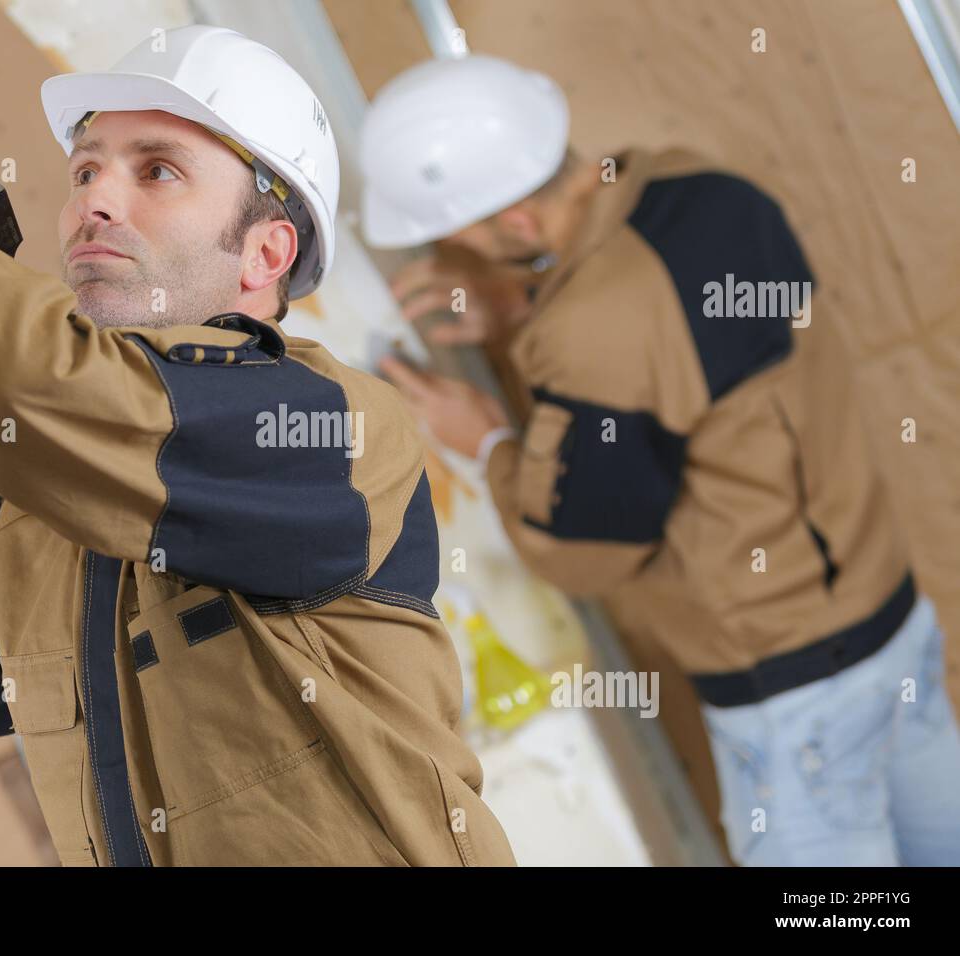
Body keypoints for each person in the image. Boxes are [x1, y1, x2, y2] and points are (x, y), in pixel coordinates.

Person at [0, 26, 516, 867]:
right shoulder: (34, 536)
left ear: (266, 251)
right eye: (86, 170)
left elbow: (42, 386)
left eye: (158, 170)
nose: (94, 200)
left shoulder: (328, 432)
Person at [361, 54, 960, 866]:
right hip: (891, 624)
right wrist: (529, 308)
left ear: (520, 226)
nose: (451, 256)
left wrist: (492, 442)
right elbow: (688, 355)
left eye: (454, 241)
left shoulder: (592, 330)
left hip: (793, 697)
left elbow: (587, 548)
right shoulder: (704, 189)